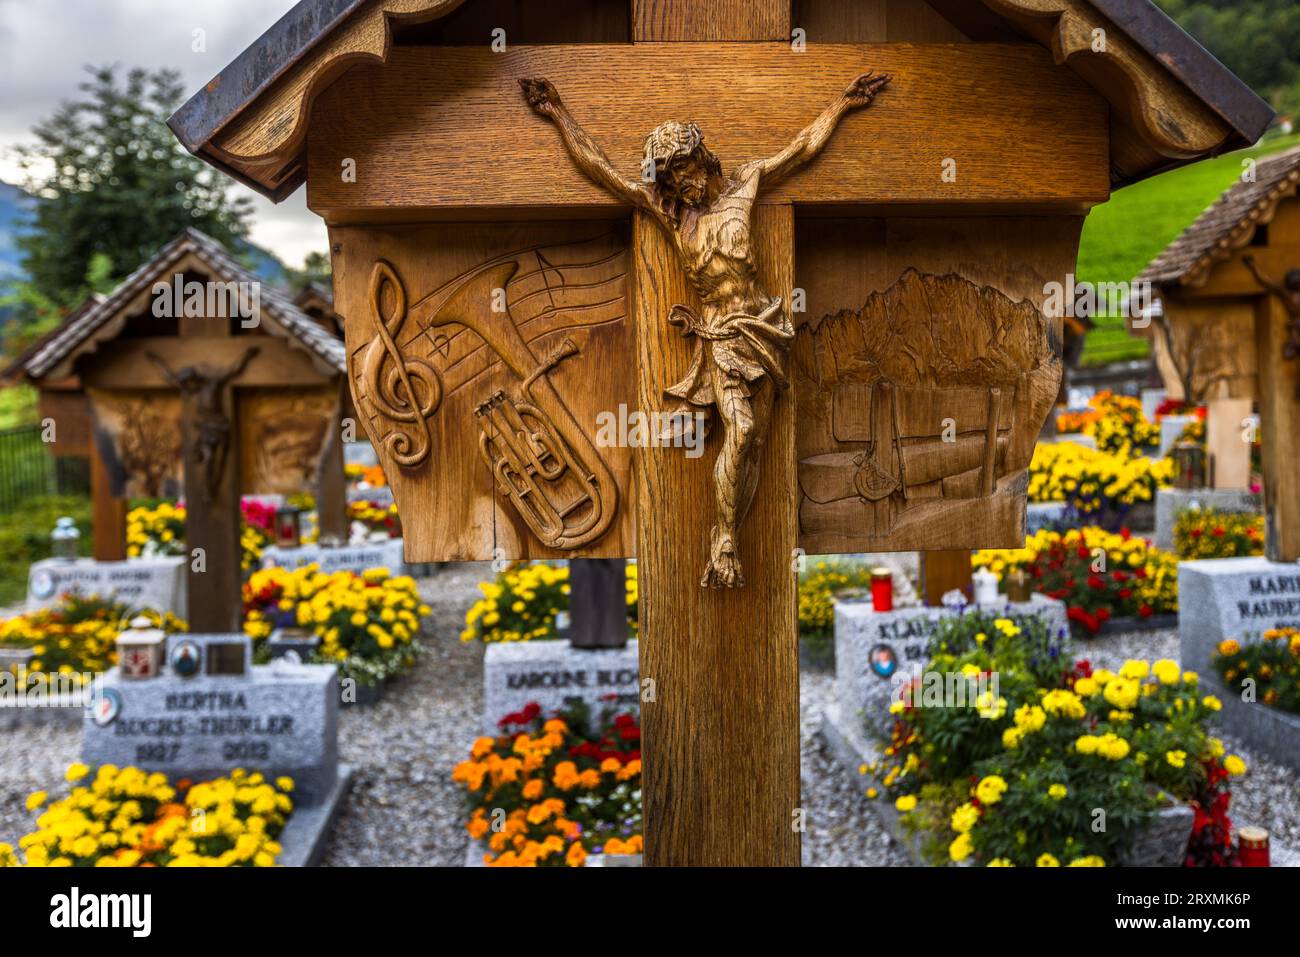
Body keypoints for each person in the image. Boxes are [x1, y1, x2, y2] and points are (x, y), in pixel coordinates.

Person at [521, 71, 890, 586]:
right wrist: (558, 113)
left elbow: (802, 148)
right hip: (719, 336)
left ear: (702, 158)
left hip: (760, 329)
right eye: (669, 179)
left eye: (684, 171)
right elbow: (604, 172)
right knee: (739, 431)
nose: (680, 186)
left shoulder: (748, 183)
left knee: (756, 441)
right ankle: (724, 542)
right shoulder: (672, 216)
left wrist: (842, 104)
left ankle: (731, 535)